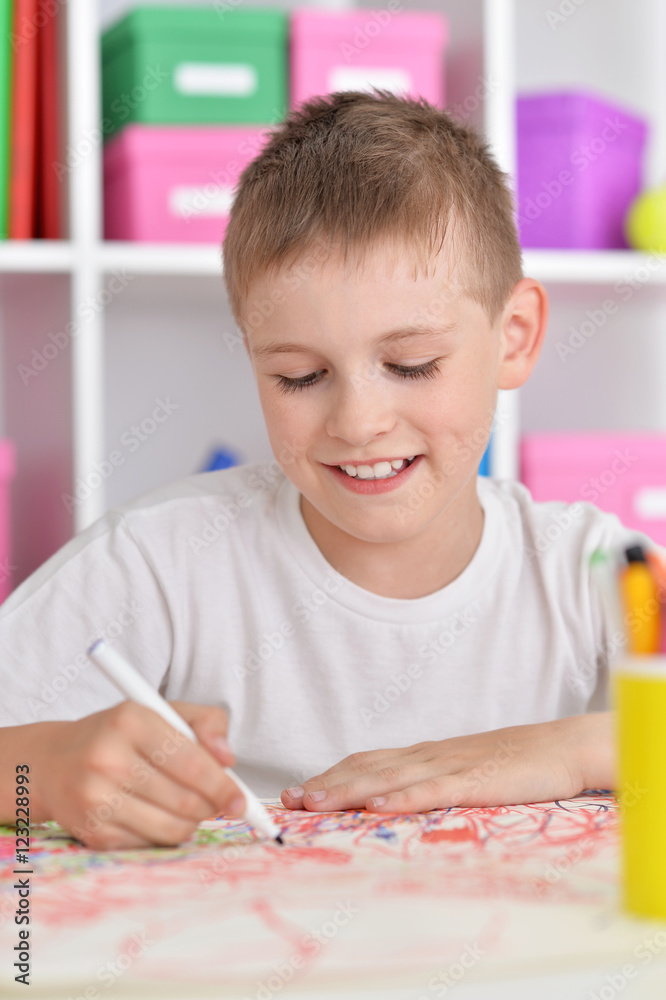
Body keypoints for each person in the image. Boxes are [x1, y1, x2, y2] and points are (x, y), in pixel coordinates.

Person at [0, 91, 651, 850]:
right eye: (301, 377)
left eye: (411, 365)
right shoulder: (157, 561)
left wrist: (576, 749)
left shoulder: (591, 568)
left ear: (513, 337)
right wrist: (38, 769)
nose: (358, 422)